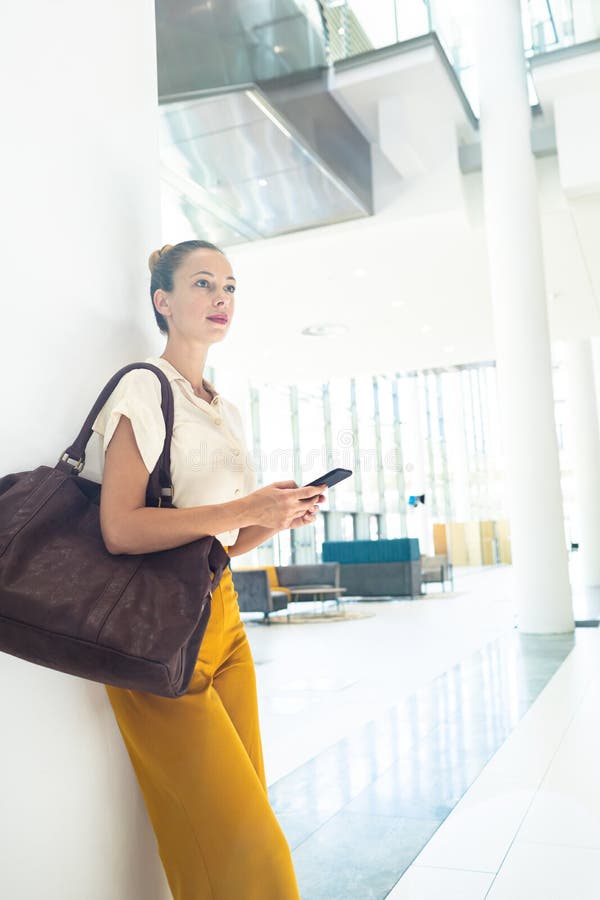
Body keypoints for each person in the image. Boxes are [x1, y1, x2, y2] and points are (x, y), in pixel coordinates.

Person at [92, 239, 326, 899]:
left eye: (229, 286)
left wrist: (270, 517)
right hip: (156, 629)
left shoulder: (221, 408)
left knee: (235, 821)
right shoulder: (145, 386)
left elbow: (218, 541)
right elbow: (121, 528)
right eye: (202, 284)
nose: (221, 298)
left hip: (223, 615)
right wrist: (243, 505)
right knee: (250, 843)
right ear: (163, 302)